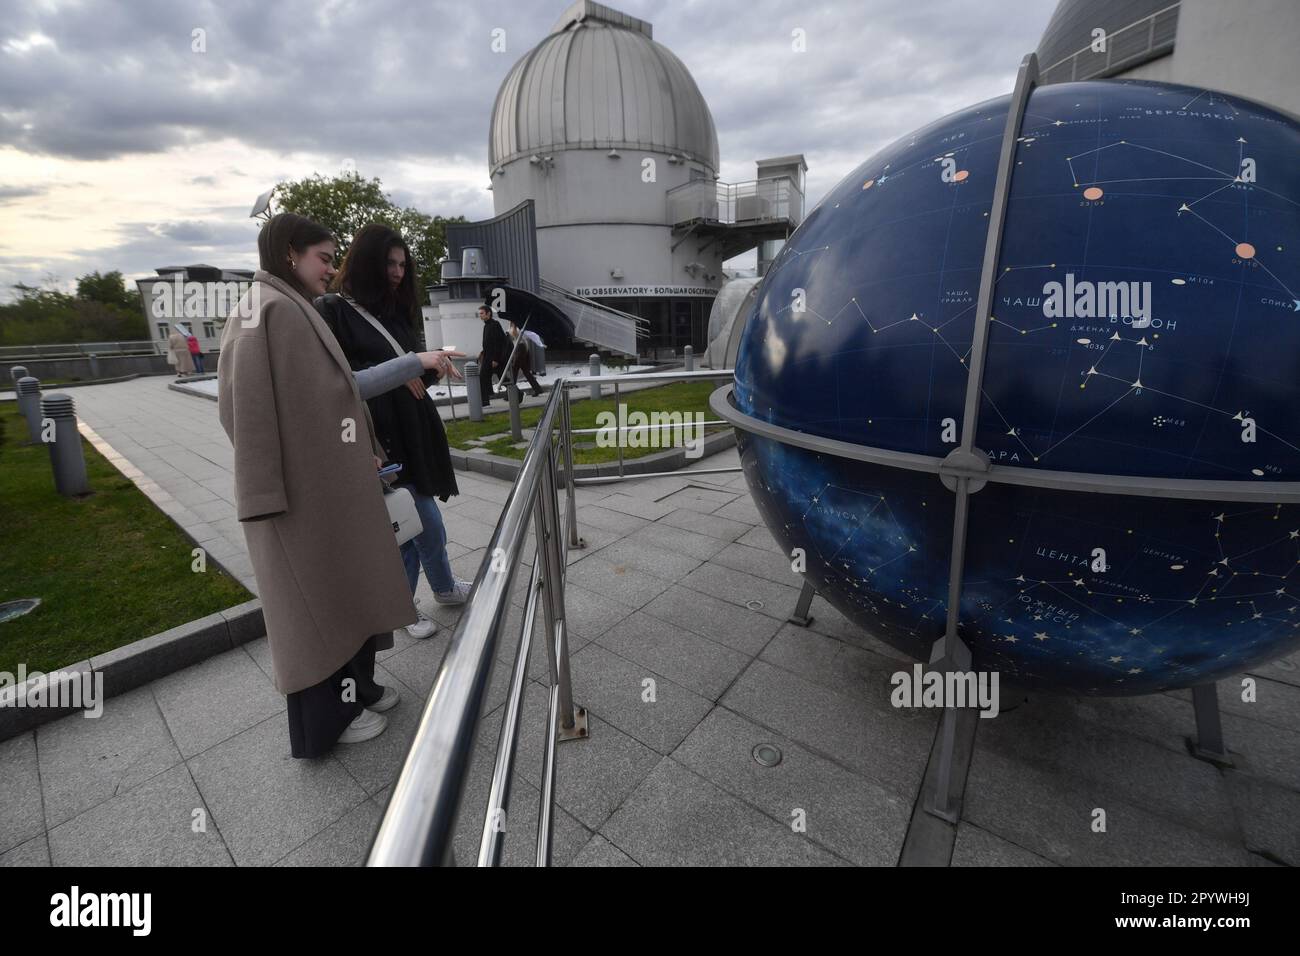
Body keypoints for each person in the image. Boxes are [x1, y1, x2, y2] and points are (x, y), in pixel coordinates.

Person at [217, 212, 455, 758]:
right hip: (300, 497)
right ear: (289, 254)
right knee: (316, 612)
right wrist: (264, 497)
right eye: (323, 257)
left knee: (345, 598)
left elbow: (334, 395)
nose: (331, 268)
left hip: (330, 485)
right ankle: (330, 719)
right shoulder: (265, 311)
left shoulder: (287, 307)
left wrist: (364, 454)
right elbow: (244, 413)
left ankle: (358, 692)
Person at [316, 223, 473, 640]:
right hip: (378, 437)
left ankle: (440, 588)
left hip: (412, 430)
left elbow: (415, 377)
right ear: (368, 261)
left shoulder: (394, 310)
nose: (399, 271)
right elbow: (337, 381)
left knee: (420, 520)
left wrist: (432, 368)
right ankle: (404, 607)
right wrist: (400, 371)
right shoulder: (333, 310)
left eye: (404, 264)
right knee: (408, 526)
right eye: (390, 262)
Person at [476, 304, 513, 407]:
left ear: (489, 313)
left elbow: (498, 343)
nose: (480, 316)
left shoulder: (495, 325)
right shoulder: (486, 325)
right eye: (479, 314)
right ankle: (486, 401)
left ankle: (485, 402)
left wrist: (496, 359)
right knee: (493, 378)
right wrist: (483, 352)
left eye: (482, 313)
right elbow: (489, 343)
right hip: (488, 357)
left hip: (494, 359)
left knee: (485, 378)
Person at [505, 320, 544, 397]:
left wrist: (540, 344)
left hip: (521, 349)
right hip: (518, 349)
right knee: (525, 371)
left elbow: (530, 336)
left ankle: (509, 394)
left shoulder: (519, 329)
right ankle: (537, 389)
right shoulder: (511, 329)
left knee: (514, 371)